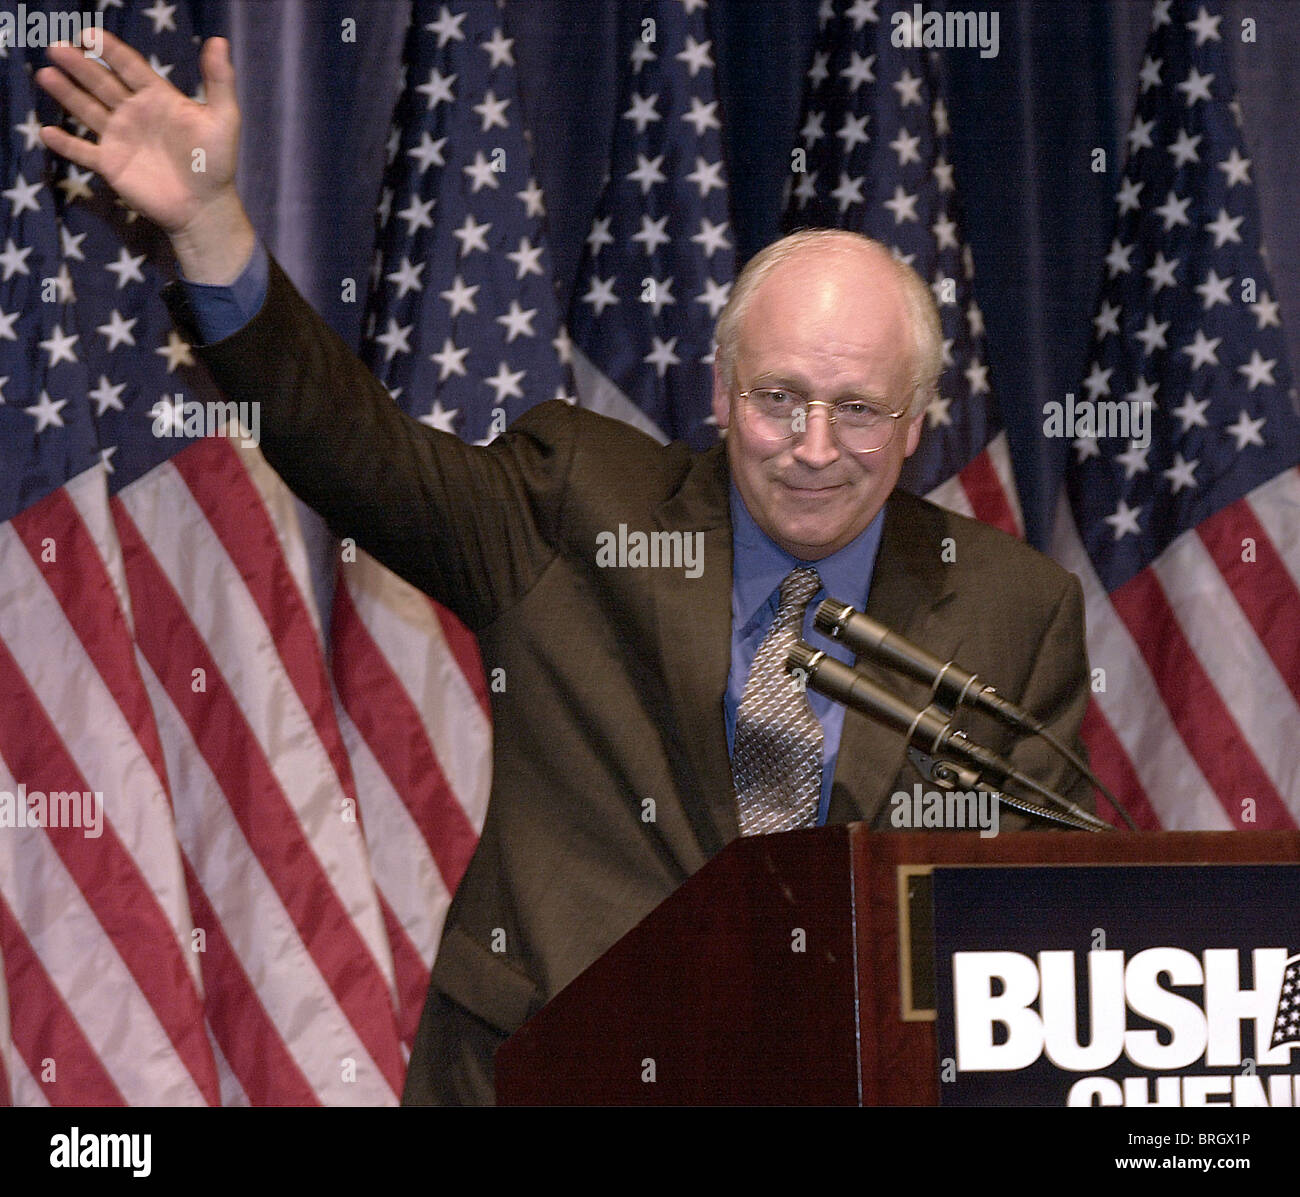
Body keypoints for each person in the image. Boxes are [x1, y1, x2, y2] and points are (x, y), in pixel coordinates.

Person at [37, 32, 1093, 1105]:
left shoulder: (1014, 610)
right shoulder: (577, 503)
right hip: (549, 1074)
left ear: (917, 421)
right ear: (722, 392)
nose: (813, 447)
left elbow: (1035, 923)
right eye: (778, 398)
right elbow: (355, 451)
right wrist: (211, 229)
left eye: (858, 410)